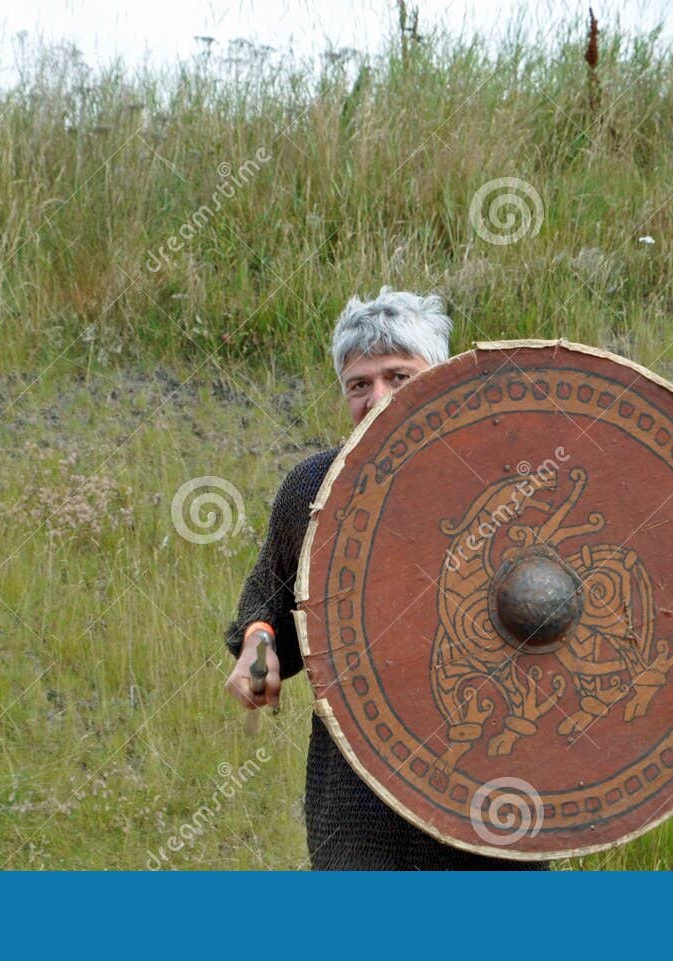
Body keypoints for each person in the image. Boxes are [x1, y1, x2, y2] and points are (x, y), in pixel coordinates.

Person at [223, 286, 548, 870]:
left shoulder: (504, 480)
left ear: (441, 379)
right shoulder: (312, 488)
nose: (378, 398)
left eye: (399, 377)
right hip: (356, 788)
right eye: (360, 383)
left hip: (489, 770)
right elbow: (268, 602)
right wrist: (259, 646)